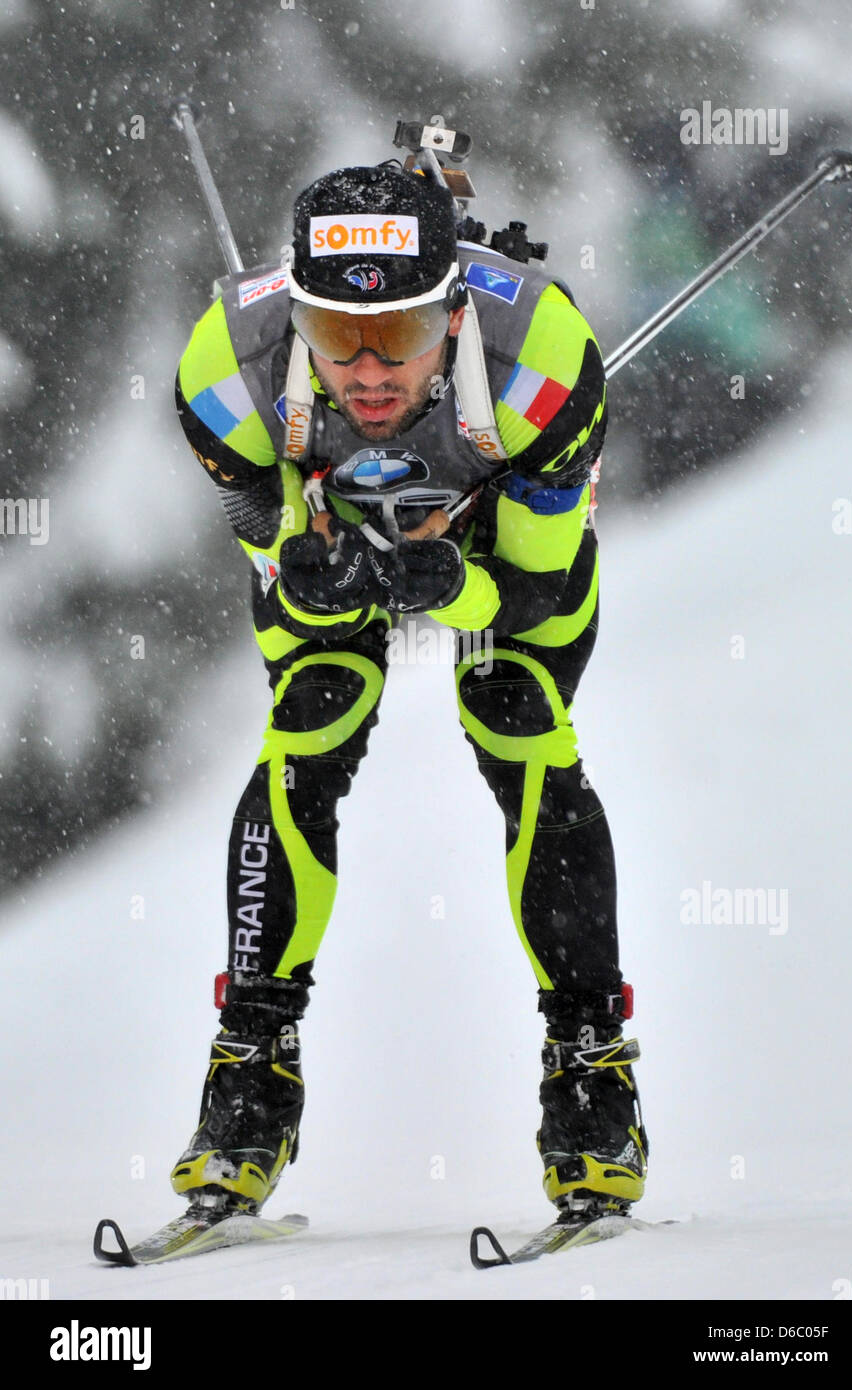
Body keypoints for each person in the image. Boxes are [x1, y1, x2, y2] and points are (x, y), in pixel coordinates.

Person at [171, 159, 647, 1225]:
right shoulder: (225, 377)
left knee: (513, 708)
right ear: (295, 314)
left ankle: (590, 1066)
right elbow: (272, 548)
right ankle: (251, 1067)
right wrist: (309, 561)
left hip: (497, 536)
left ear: (456, 305)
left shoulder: (544, 369)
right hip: (326, 524)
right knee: (314, 709)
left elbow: (525, 596)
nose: (371, 371)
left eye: (403, 333)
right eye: (336, 337)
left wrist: (452, 579)